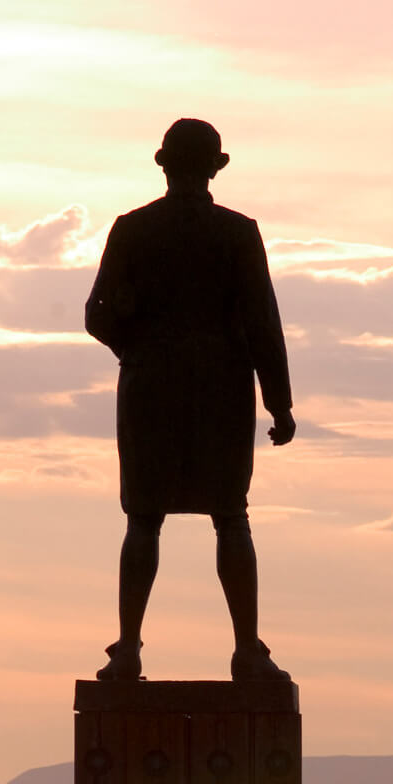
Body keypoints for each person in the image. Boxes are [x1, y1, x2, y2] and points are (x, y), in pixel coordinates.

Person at [84, 117, 296, 682]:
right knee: (231, 518)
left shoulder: (133, 230)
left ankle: (129, 647)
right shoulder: (236, 233)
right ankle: (246, 648)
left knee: (144, 520)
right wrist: (279, 402)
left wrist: (140, 348)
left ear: (162, 163)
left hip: (150, 388)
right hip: (221, 388)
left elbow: (97, 316)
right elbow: (263, 325)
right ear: (216, 167)